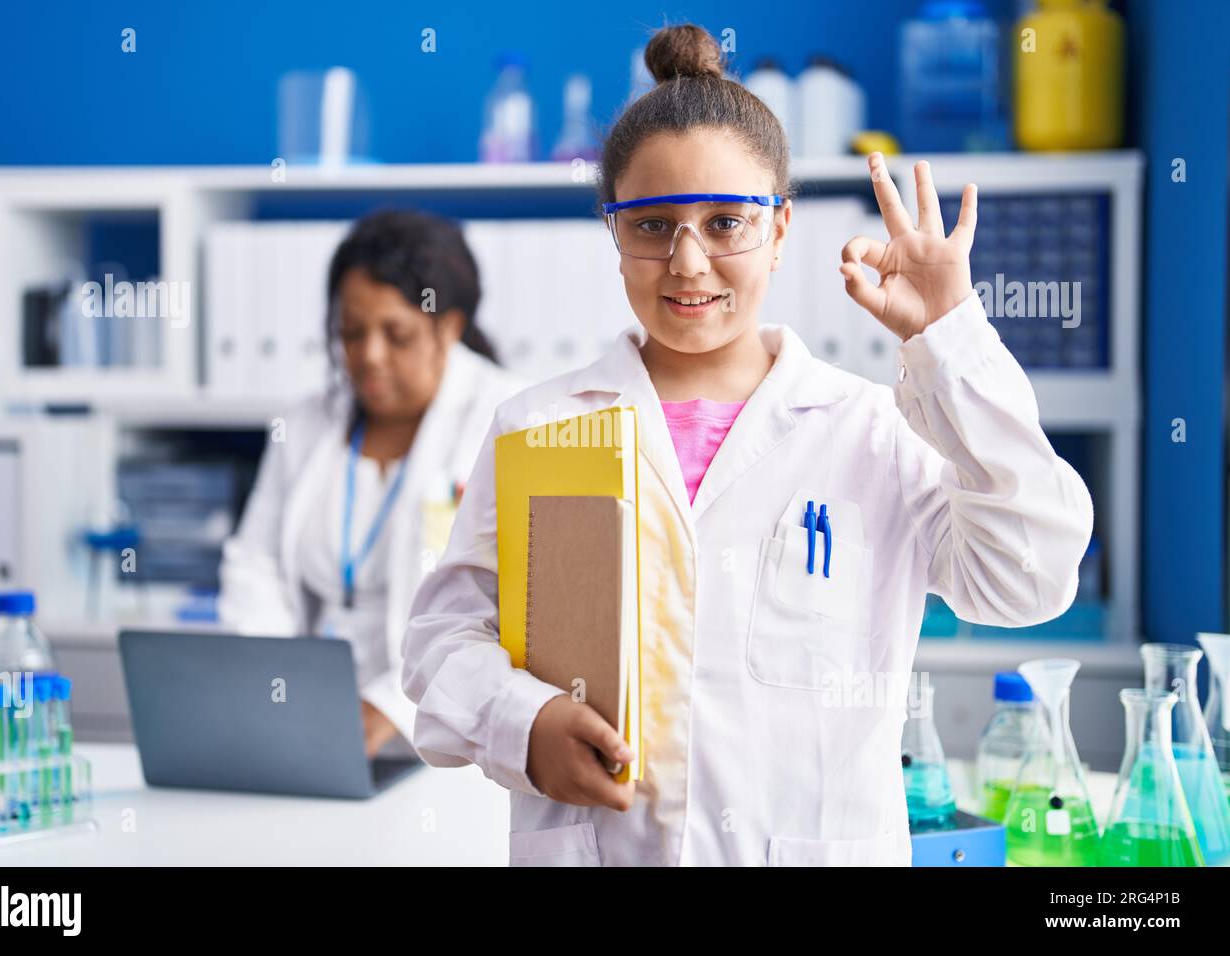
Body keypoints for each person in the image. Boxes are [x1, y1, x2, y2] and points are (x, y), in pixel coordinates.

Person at [401, 24, 1093, 864]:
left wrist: (953, 341)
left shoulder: (870, 430)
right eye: (651, 225)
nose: (688, 262)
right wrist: (525, 721)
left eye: (726, 221)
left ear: (781, 227)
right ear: (612, 233)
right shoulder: (536, 425)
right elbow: (442, 639)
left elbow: (1030, 579)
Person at [219, 209, 520, 758]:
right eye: (351, 333)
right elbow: (254, 564)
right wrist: (275, 679)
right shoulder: (307, 426)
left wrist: (389, 706)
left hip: (453, 740)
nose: (369, 356)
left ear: (448, 327)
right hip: (313, 729)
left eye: (396, 334)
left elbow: (512, 606)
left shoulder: (511, 421)